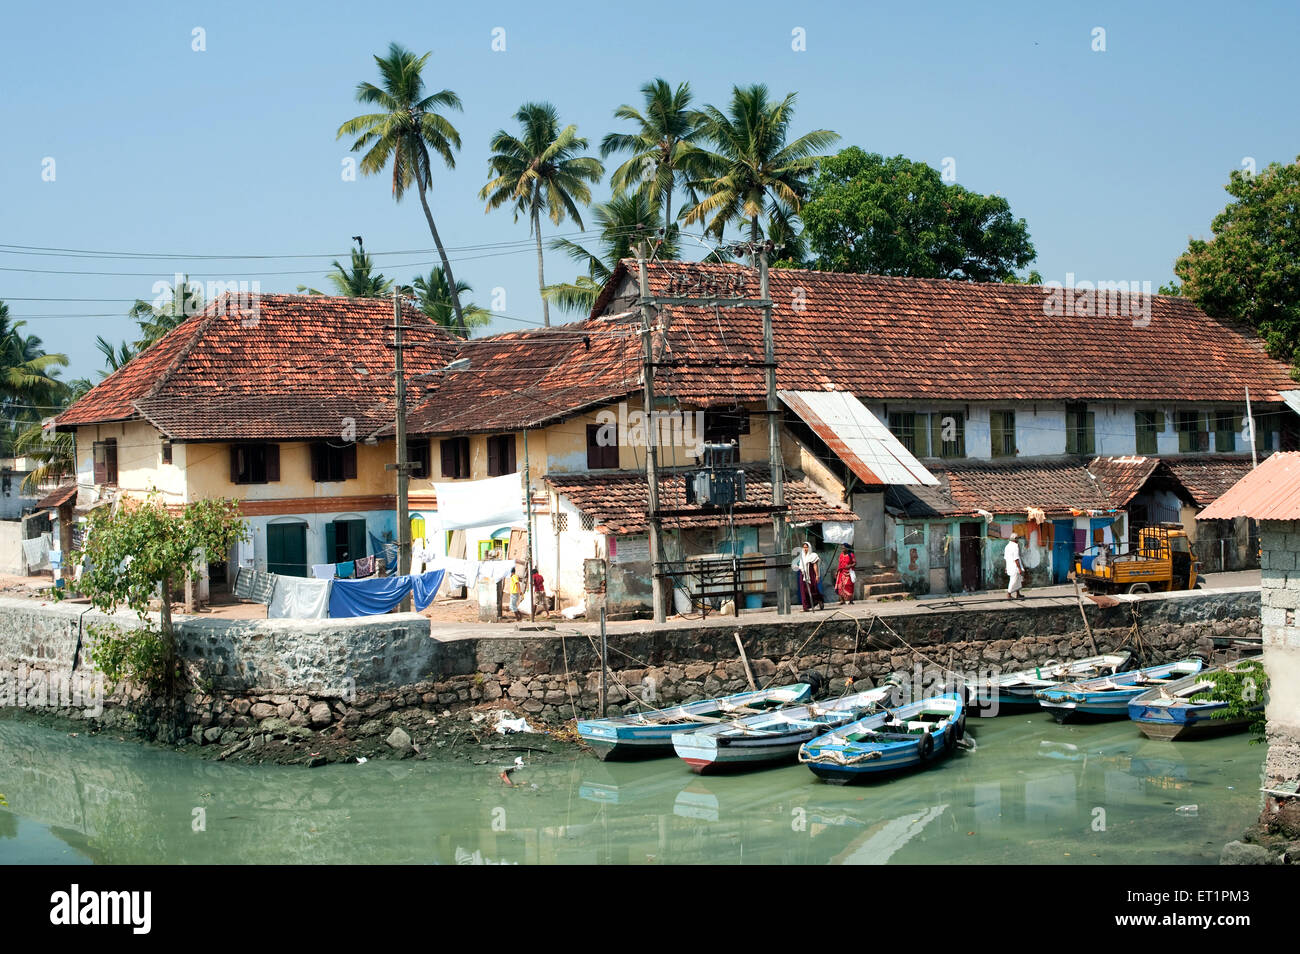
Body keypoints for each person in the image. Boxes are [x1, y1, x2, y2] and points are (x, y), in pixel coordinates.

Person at [794, 542, 824, 611]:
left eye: (806, 547)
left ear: (809, 548)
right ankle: (806, 607)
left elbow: (815, 565)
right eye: (804, 547)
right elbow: (800, 565)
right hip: (803, 575)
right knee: (803, 591)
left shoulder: (813, 555)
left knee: (813, 589)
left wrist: (817, 575)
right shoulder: (802, 556)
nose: (805, 549)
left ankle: (819, 600)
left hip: (811, 575)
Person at [1005, 534, 1025, 601]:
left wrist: (1006, 567)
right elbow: (1016, 558)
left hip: (1009, 565)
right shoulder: (1015, 546)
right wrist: (1019, 568)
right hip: (1015, 566)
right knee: (1013, 581)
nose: (1018, 540)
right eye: (1017, 539)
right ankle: (1009, 594)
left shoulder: (1007, 546)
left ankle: (1018, 594)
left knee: (1018, 580)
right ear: (1015, 539)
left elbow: (1005, 558)